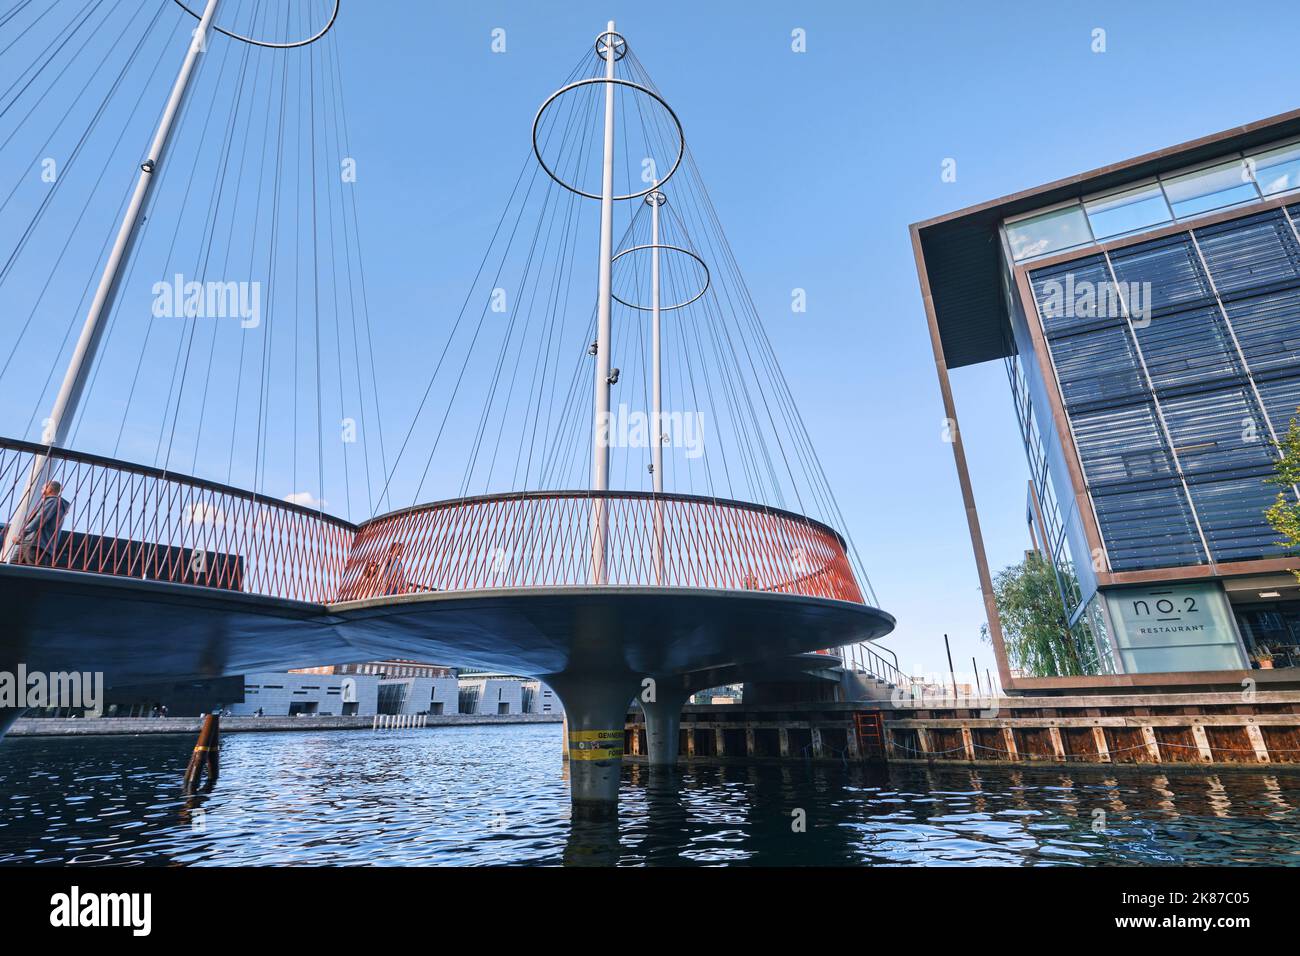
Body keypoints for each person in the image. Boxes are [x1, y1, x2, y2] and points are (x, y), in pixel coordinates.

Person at [12, 480, 70, 566]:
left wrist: (22, 535)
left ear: (49, 489)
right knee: (13, 568)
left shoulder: (53, 501)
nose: (41, 490)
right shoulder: (56, 503)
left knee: (28, 572)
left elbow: (40, 519)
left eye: (43, 488)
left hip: (36, 544)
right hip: (31, 542)